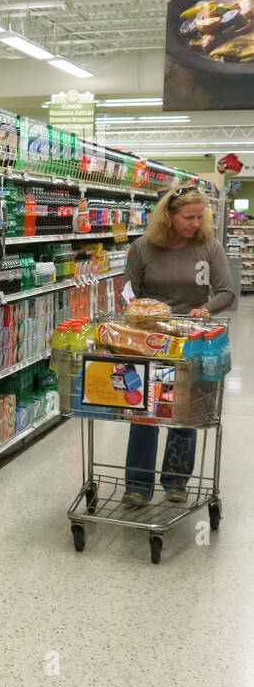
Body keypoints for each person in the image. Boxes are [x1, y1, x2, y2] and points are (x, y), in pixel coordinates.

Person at [121, 187, 234, 505]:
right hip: (151, 340)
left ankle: (176, 481)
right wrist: (141, 310)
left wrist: (207, 308)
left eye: (200, 217)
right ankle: (137, 486)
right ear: (168, 217)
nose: (196, 223)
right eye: (189, 217)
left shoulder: (209, 247)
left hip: (191, 341)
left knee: (183, 412)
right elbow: (130, 291)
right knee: (145, 413)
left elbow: (226, 291)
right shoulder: (143, 247)